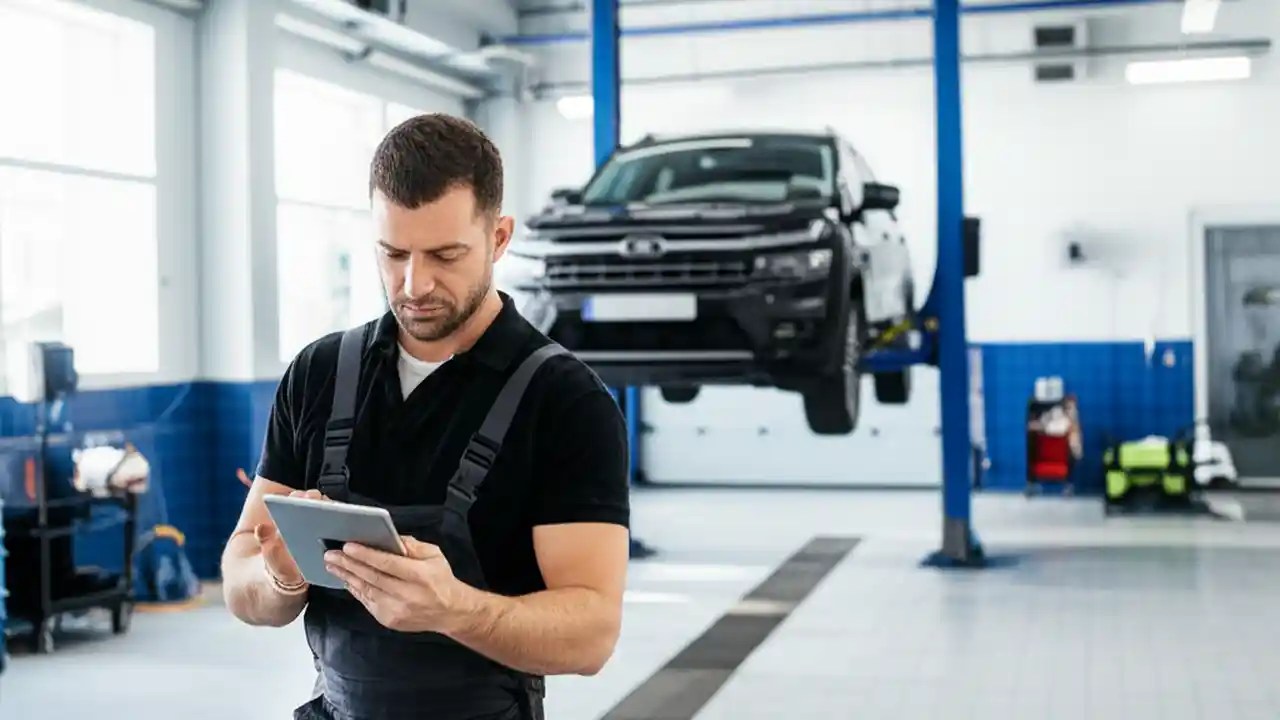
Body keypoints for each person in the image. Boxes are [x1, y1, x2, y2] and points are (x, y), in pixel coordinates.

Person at [221, 113, 631, 720]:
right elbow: (239, 579)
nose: (414, 284)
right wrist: (281, 580)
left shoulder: (566, 401)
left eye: (445, 255)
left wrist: (454, 609)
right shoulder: (318, 374)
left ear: (498, 237)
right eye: (393, 253)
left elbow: (592, 634)